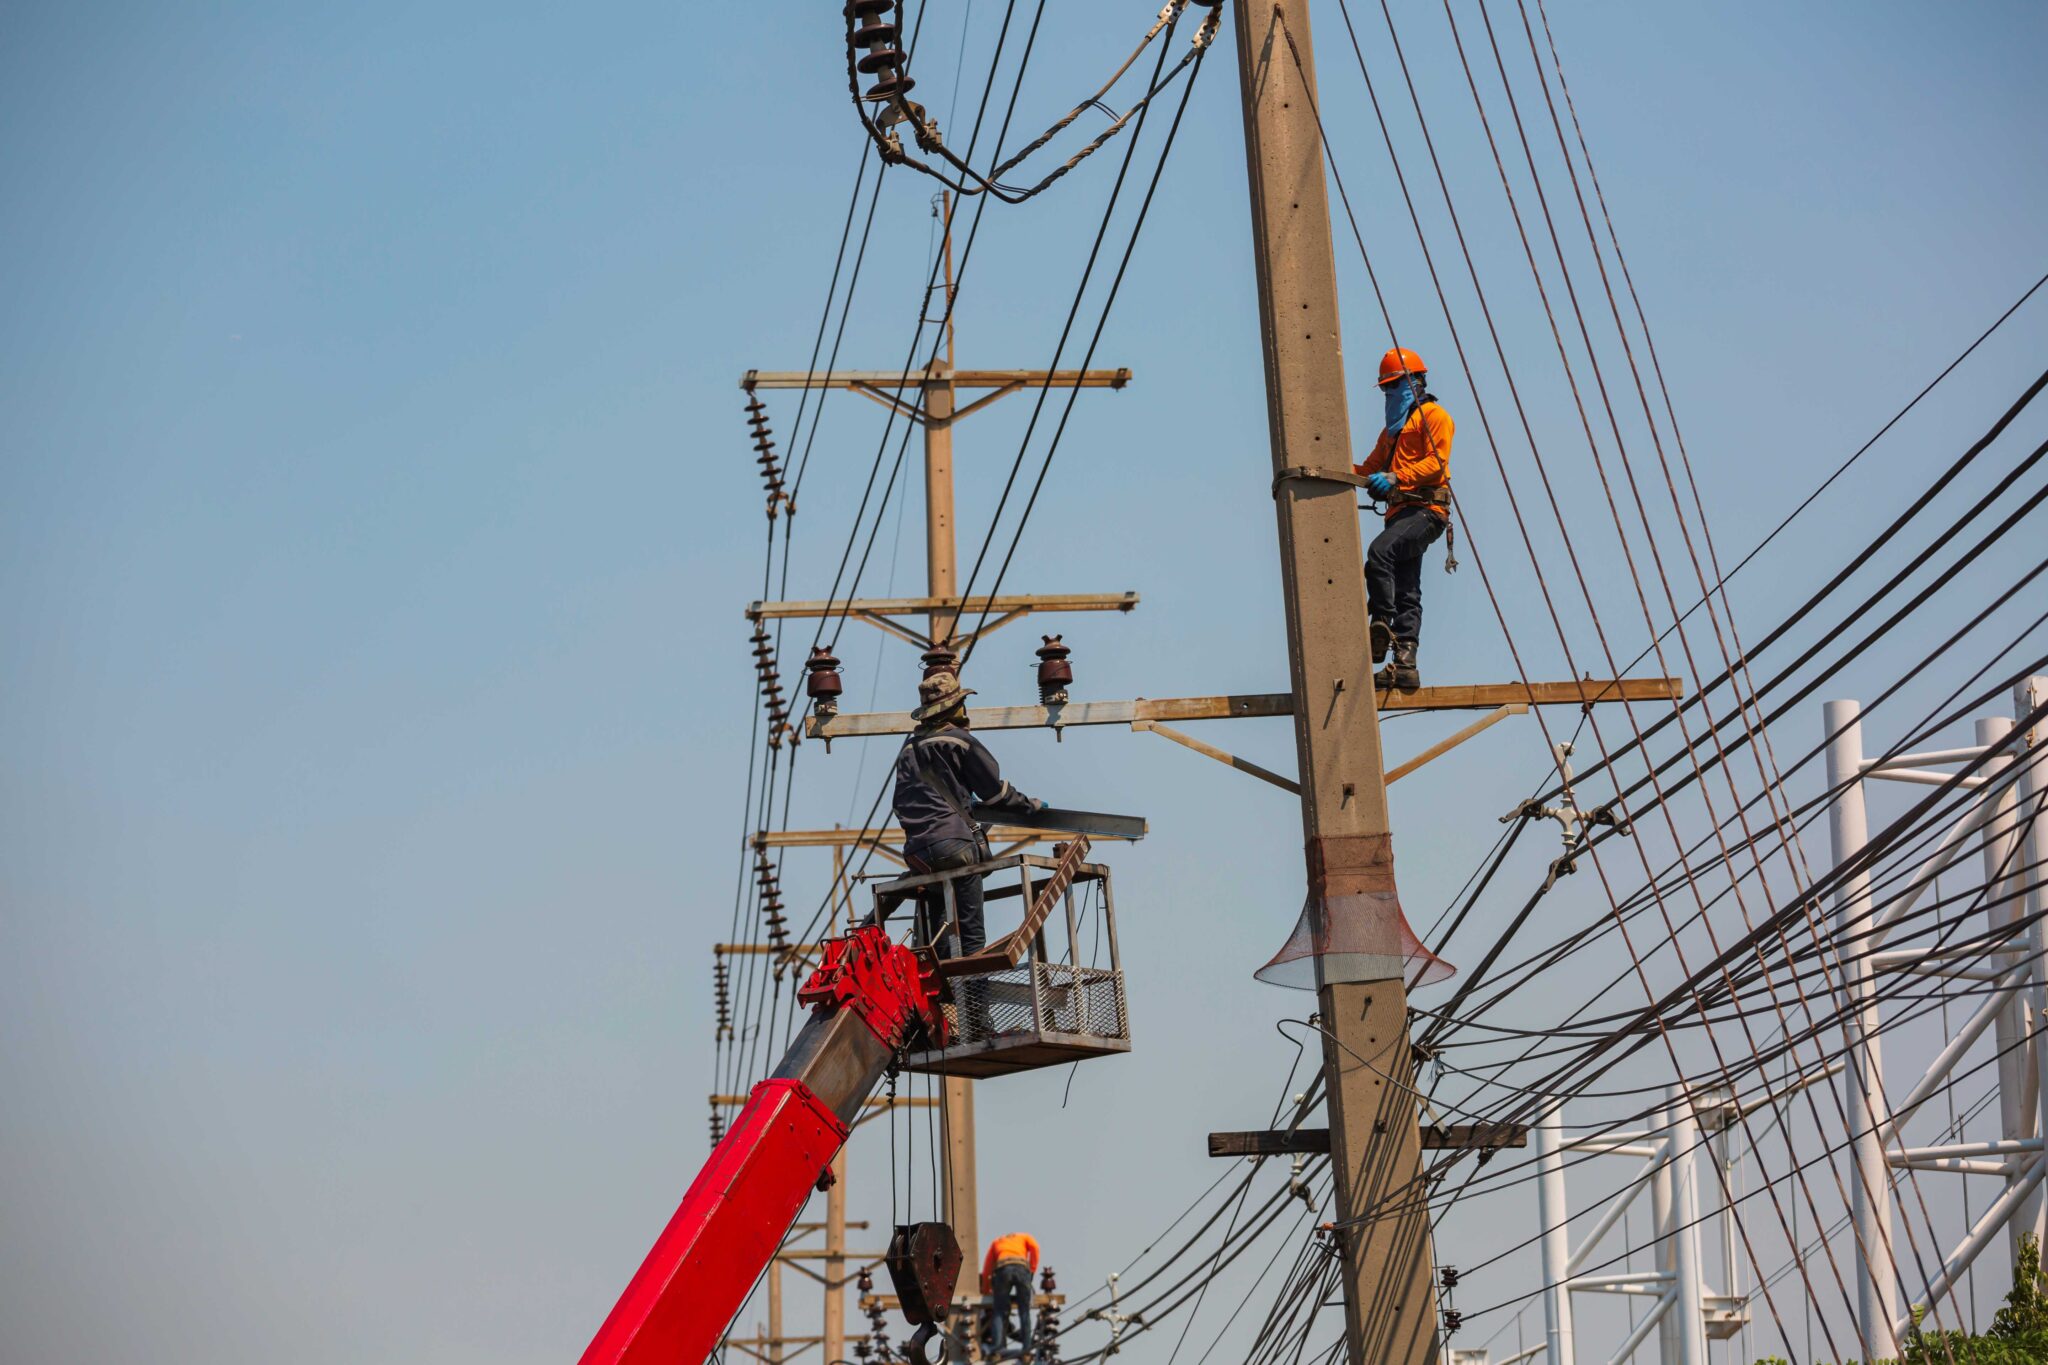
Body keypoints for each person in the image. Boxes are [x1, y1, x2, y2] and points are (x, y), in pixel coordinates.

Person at [891, 670, 1043, 962]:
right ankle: (975, 1007)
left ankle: (942, 998)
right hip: (954, 845)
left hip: (919, 854)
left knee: (939, 926)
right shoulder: (959, 741)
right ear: (954, 708)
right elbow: (996, 794)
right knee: (971, 936)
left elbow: (900, 803)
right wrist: (1030, 806)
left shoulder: (908, 750)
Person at [1355, 346, 1454, 692]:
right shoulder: (1391, 434)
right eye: (1385, 387)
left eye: (1393, 385)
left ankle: (1381, 622)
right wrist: (1329, 471)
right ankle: (1405, 663)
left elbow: (1436, 465)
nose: (1388, 393)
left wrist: (1397, 478)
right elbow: (1367, 470)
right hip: (1401, 515)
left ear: (1415, 382)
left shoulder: (1434, 417)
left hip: (1426, 511)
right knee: (1408, 591)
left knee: (1380, 554)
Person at [980, 1230, 1042, 1359]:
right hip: (1021, 1268)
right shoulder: (1024, 1236)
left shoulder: (996, 1242)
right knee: (1024, 1311)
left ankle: (996, 1349)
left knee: (999, 1311)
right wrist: (1032, 1270)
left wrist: (986, 1290)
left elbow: (987, 1269)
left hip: (1003, 1269)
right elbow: (1035, 1248)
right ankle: (1027, 1349)